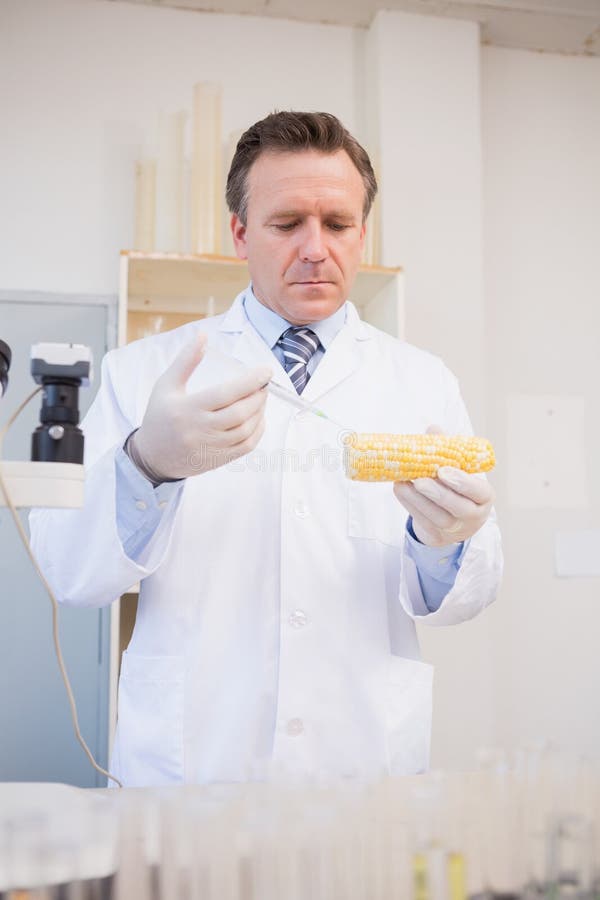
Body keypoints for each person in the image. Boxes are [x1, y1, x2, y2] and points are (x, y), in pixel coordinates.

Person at [30, 111, 502, 787]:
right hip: (199, 761)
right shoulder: (143, 371)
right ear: (241, 233)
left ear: (362, 233)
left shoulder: (422, 381)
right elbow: (72, 576)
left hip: (359, 760)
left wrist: (447, 541)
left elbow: (464, 600)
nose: (316, 248)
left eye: (338, 224)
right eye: (287, 224)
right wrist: (148, 465)